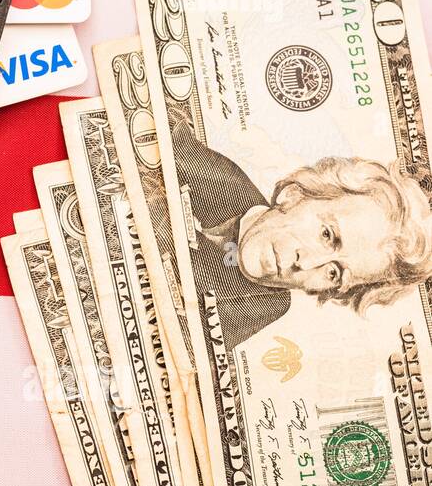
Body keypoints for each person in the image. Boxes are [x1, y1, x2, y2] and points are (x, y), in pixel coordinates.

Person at [171, 120, 432, 351]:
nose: (305, 263)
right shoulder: (206, 173)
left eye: (334, 273)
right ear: (294, 195)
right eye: (326, 234)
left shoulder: (264, 306)